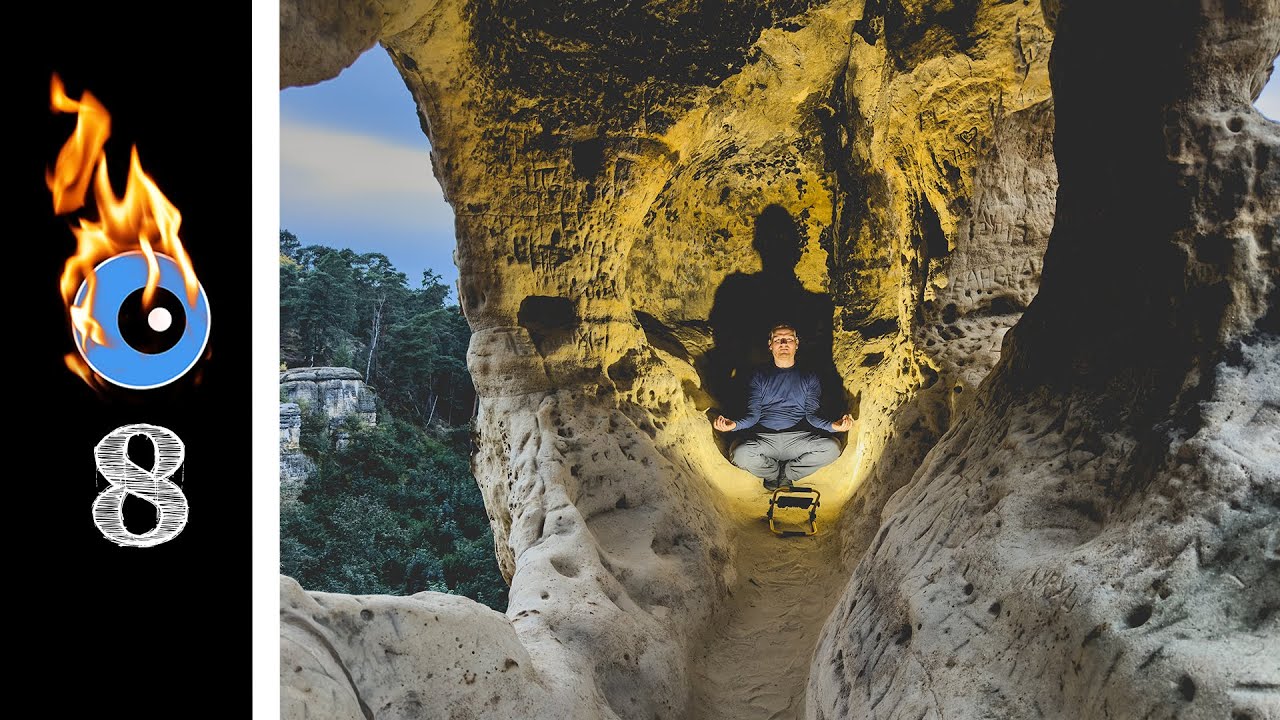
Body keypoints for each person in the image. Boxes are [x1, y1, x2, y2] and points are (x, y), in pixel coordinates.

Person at [713, 324, 852, 489]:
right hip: (764, 439)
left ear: (797, 344)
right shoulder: (759, 376)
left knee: (832, 448)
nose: (784, 343)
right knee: (739, 454)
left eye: (789, 339)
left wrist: (834, 426)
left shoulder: (809, 377)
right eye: (778, 339)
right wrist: (733, 425)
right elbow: (753, 416)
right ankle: (771, 474)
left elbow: (812, 416)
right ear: (770, 345)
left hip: (798, 439)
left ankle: (788, 473)